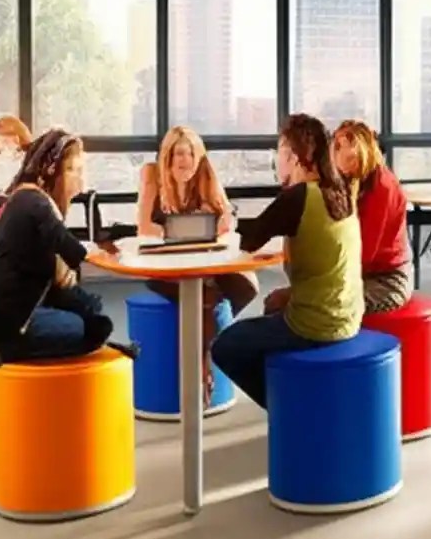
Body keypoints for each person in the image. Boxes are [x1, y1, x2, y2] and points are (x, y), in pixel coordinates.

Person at [211, 114, 363, 408]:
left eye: (278, 151)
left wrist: (226, 219)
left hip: (315, 324)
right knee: (272, 306)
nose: (276, 160)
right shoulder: (341, 191)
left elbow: (249, 240)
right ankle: (294, 390)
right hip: (349, 315)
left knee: (225, 346)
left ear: (293, 156)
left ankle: (287, 407)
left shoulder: (299, 196)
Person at [0, 130, 130, 413]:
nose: (78, 178)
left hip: (23, 308)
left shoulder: (26, 199)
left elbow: (56, 261)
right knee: (94, 329)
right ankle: (6, 353)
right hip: (14, 322)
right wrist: (101, 252)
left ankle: (14, 349)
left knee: (93, 310)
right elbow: (66, 244)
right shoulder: (33, 201)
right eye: (72, 170)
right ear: (51, 171)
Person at [137, 126, 259, 406]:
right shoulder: (151, 174)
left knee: (247, 286)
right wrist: (190, 229)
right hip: (164, 267)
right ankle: (203, 369)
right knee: (209, 300)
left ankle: (207, 354)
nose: (186, 159)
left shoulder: (205, 173)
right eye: (179, 153)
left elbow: (227, 218)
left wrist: (216, 222)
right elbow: (144, 225)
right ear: (167, 156)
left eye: (191, 153)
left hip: (203, 262)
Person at [332, 119, 413, 313]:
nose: (333, 154)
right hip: (361, 275)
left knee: (317, 307)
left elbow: (365, 253)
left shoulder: (382, 186)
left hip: (387, 281)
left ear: (356, 150)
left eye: (338, 147)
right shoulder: (352, 180)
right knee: (283, 300)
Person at [0, 115, 33, 195]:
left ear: (16, 138)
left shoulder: (24, 161)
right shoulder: (5, 160)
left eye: (3, 141)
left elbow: (2, 188)